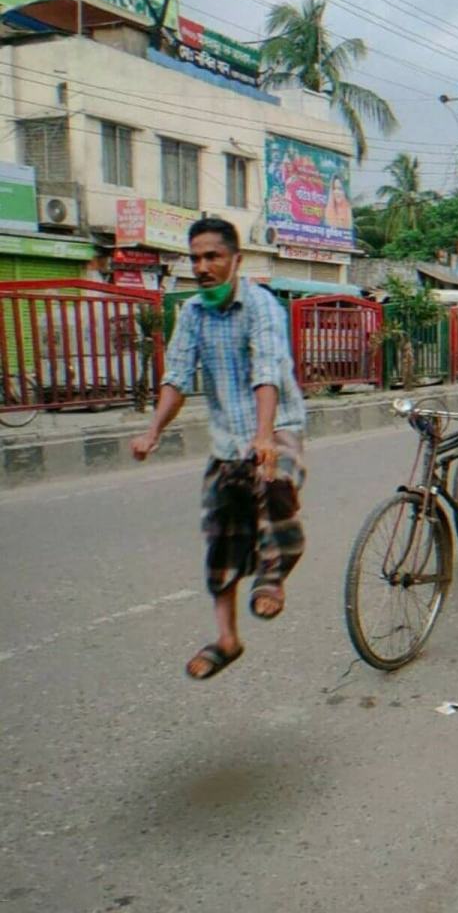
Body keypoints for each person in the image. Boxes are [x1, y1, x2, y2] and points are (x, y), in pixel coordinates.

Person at [130, 217, 306, 681]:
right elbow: (178, 377)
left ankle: (272, 578)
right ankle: (227, 639)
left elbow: (266, 370)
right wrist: (152, 431)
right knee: (221, 530)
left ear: (236, 261)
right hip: (228, 439)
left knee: (275, 482)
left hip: (279, 427)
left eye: (213, 257)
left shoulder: (262, 307)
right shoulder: (191, 314)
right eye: (196, 258)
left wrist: (265, 436)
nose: (203, 267)